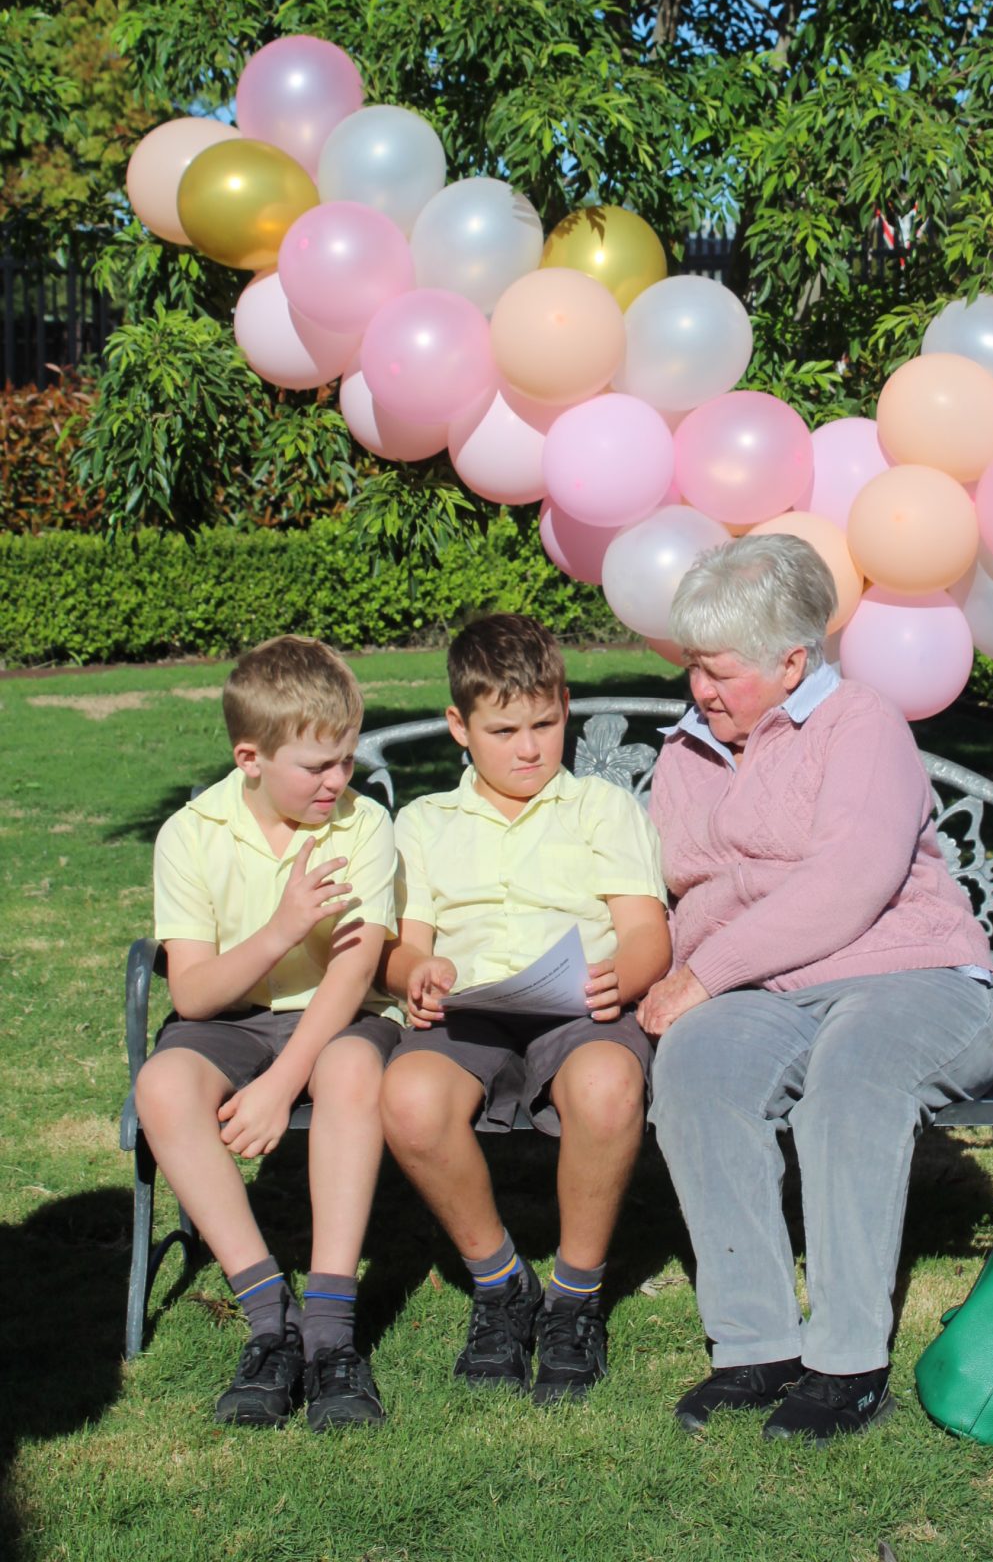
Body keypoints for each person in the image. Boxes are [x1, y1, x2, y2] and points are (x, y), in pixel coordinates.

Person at [641, 534, 993, 1443]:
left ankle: (847, 1362)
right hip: (764, 991)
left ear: (793, 661)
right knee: (695, 1068)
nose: (701, 690)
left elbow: (849, 881)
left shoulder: (860, 723)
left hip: (909, 975)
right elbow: (671, 887)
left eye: (719, 671)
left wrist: (708, 968)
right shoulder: (685, 754)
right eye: (693, 668)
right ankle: (754, 1343)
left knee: (853, 1084)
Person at [379, 613, 671, 1403]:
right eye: (503, 729)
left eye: (545, 723)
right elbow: (402, 947)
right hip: (470, 1011)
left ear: (565, 708)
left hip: (578, 1003)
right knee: (408, 1099)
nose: (530, 747)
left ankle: (573, 1299)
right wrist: (417, 970)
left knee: (608, 1088)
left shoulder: (601, 810)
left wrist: (624, 974)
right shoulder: (425, 824)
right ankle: (501, 1283)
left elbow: (647, 932)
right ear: (458, 727)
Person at [135, 635, 401, 1431]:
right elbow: (193, 991)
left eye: (347, 760)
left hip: (337, 1016)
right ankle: (267, 1319)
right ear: (249, 757)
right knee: (162, 1084)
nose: (337, 781)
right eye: (316, 767)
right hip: (231, 1021)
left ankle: (329, 1334)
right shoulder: (191, 832)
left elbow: (356, 974)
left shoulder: (364, 826)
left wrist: (283, 1082)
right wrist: (283, 927)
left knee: (351, 1075)